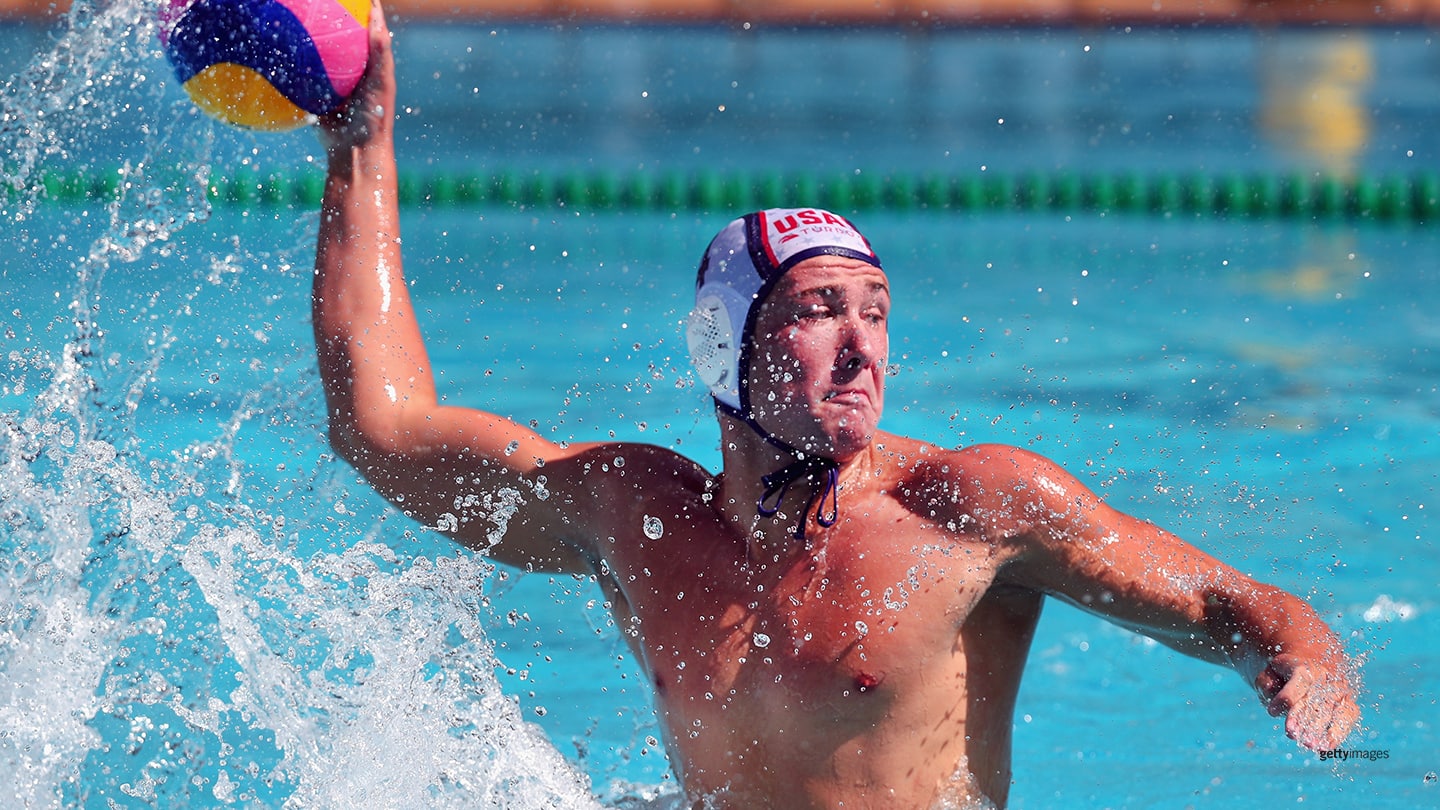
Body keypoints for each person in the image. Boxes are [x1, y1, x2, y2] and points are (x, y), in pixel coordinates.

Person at [312, 6, 1360, 808]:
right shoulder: (632, 515)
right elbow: (383, 428)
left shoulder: (970, 509)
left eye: (878, 313)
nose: (864, 347)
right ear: (726, 348)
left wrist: (1310, 665)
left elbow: (1231, 605)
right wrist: (362, 148)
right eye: (820, 312)